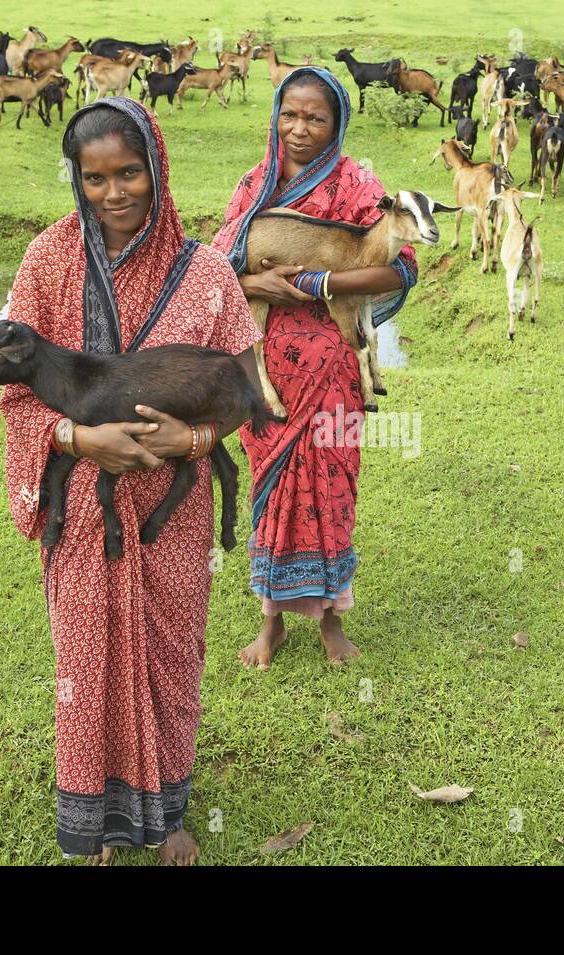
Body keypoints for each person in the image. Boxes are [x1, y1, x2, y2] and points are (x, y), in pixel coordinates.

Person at [0, 96, 263, 865]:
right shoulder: (47, 261)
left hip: (171, 519)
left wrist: (198, 437)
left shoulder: (207, 272)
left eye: (129, 173)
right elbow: (16, 393)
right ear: (76, 181)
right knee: (86, 666)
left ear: (158, 169)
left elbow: (245, 390)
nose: (113, 193)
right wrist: (80, 437)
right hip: (83, 511)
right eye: (94, 178)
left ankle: (168, 812)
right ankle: (102, 825)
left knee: (172, 656)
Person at [213, 67, 418, 670]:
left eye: (315, 118)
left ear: (337, 124)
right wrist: (259, 282)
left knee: (331, 488)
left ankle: (330, 619)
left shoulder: (357, 185)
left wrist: (316, 280)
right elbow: (212, 269)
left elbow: (396, 268)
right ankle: (270, 622)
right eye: (290, 115)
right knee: (270, 487)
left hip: (332, 377)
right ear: (276, 114)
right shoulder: (254, 186)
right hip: (265, 379)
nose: (299, 129)